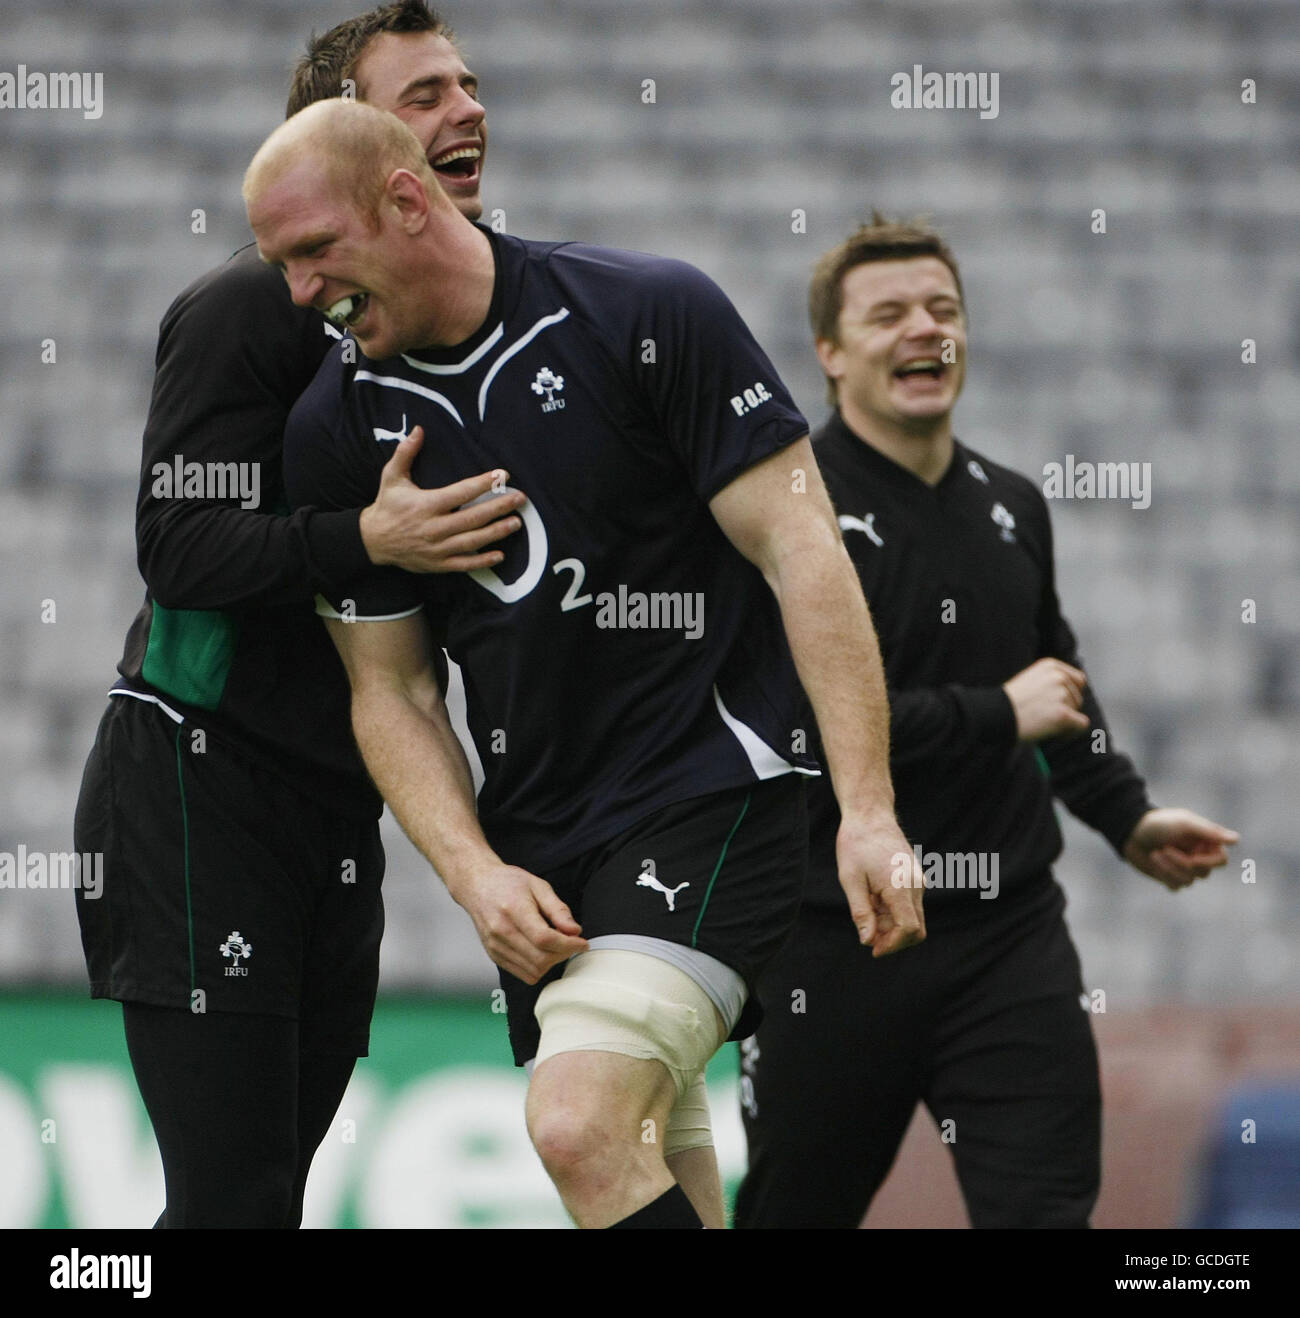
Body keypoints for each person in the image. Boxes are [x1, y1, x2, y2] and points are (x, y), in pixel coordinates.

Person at [248, 100, 927, 1229]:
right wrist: (475, 875)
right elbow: (394, 690)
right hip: (550, 851)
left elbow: (800, 547)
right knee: (658, 1165)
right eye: (281, 266)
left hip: (719, 786)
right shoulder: (332, 428)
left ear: (406, 201)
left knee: (580, 1125)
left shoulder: (644, 312)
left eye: (315, 253)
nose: (301, 294)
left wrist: (868, 809)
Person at [72, 2, 522, 1228]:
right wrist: (359, 540)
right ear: (344, 137)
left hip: (335, 803)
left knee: (265, 1206)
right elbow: (176, 541)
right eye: (423, 92)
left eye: (468, 84)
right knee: (233, 1203)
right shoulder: (241, 313)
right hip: (195, 784)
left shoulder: (476, 328)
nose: (466, 108)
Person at [734, 217, 1240, 1229]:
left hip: (1009, 935)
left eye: (942, 309)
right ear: (830, 353)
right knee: (795, 1212)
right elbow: (791, 724)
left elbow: (1058, 687)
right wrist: (990, 715)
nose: (924, 330)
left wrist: (1129, 818)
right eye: (888, 314)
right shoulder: (787, 512)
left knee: (1045, 1214)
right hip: (836, 942)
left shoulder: (1011, 503)